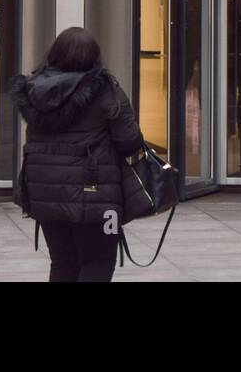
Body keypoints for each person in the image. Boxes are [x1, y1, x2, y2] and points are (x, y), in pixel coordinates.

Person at [11, 26, 143, 283]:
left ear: (55, 53)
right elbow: (129, 142)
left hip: (45, 194)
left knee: (62, 263)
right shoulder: (106, 89)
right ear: (95, 57)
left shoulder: (35, 90)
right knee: (98, 262)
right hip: (97, 197)